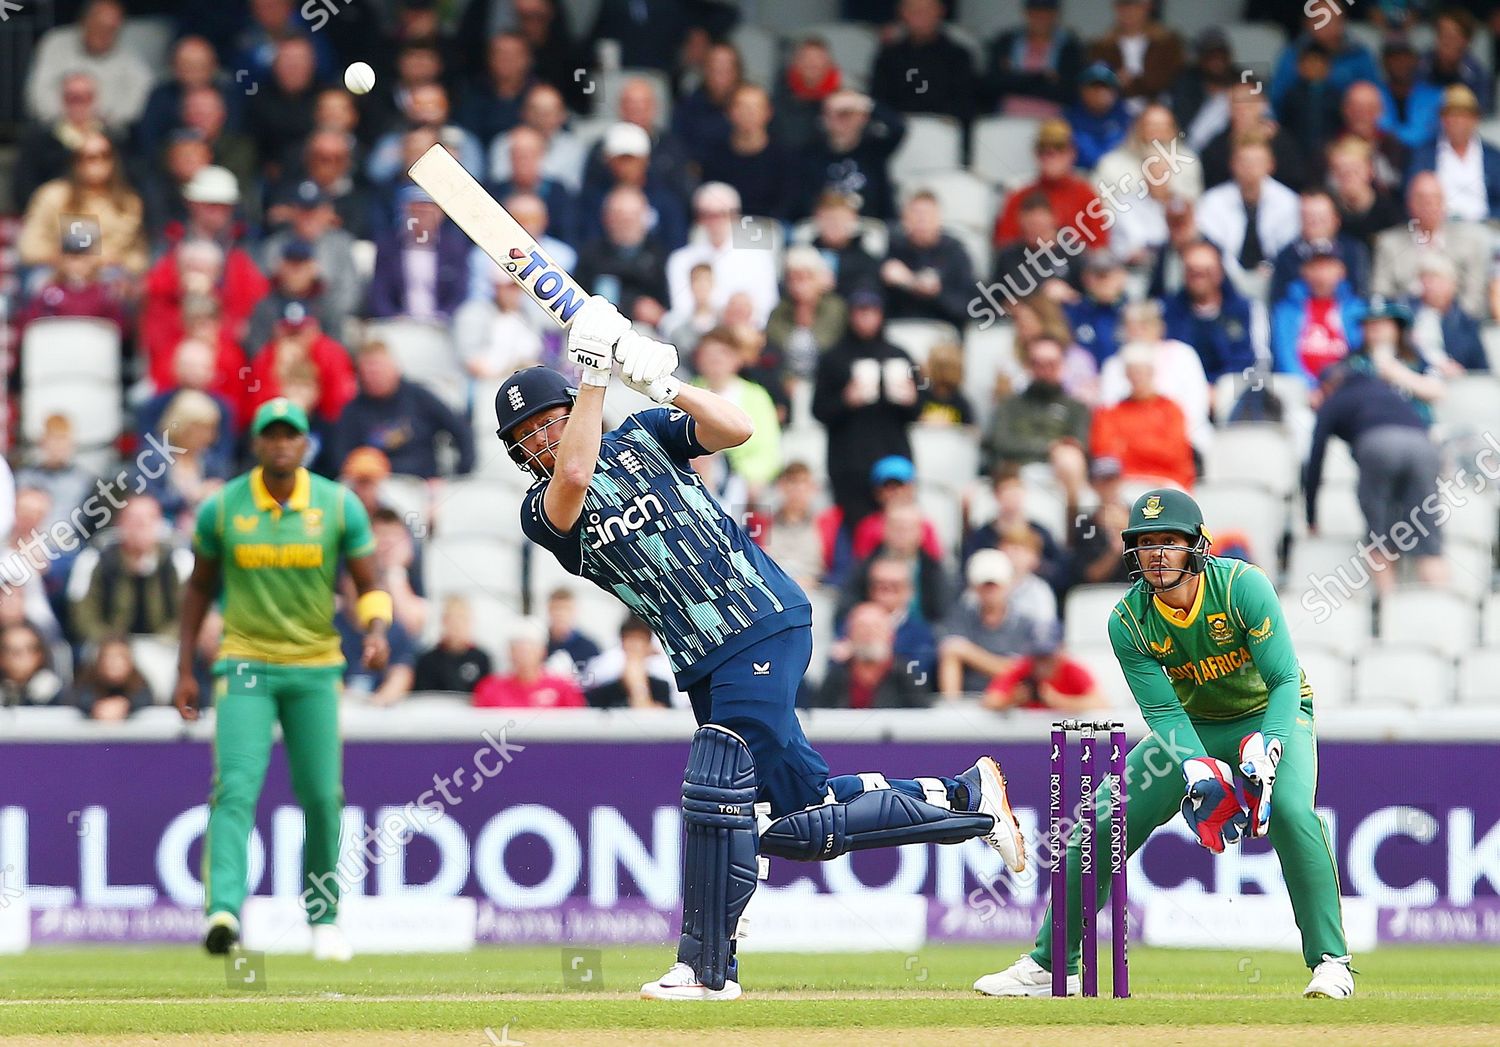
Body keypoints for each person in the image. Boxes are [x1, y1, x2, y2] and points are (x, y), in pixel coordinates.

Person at [494, 296, 1026, 1001]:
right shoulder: (541, 512)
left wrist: (658, 382)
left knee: (717, 781)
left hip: (759, 617)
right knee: (804, 816)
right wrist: (594, 374)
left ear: (567, 410)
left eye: (546, 421)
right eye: (525, 435)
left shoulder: (647, 431)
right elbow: (573, 479)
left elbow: (737, 426)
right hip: (701, 656)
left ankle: (708, 966)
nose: (540, 439)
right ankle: (971, 799)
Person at [974, 488, 1355, 1000]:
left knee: (1289, 811)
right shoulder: (1128, 620)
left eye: (1169, 541)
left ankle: (1332, 963)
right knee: (1099, 822)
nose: (1156, 553)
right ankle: (1051, 965)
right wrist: (1197, 766)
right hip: (1191, 727)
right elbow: (1162, 710)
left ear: (1197, 545)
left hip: (1270, 715)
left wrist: (1271, 745)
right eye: (1146, 542)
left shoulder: (1244, 587)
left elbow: (1285, 680)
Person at [173, 398, 392, 963]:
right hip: (244, 662)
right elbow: (198, 589)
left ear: (304, 444)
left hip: (316, 665)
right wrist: (183, 670)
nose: (280, 444)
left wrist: (375, 628)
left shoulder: (337, 505)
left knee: (323, 797)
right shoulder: (222, 508)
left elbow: (369, 581)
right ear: (257, 444)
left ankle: (324, 917)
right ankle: (223, 910)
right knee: (235, 789)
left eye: (290, 435)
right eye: (270, 435)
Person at [1305, 362, 1448, 594]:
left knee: (1379, 537)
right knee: (1428, 540)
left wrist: (1311, 516)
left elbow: (1315, 457)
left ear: (1327, 386)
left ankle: (1387, 613)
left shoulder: (1334, 399)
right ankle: (1442, 611)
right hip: (1424, 447)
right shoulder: (1386, 391)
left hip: (1377, 446)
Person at [811, 290, 921, 531]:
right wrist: (846, 400)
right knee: (856, 531)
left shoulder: (899, 355)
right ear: (851, 315)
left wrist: (912, 399)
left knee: (897, 527)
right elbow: (818, 411)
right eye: (860, 312)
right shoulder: (833, 358)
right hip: (849, 463)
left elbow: (916, 411)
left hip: (893, 457)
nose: (866, 318)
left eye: (872, 312)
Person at [328, 341, 476, 480]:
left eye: (378, 369)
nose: (373, 377)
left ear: (395, 368)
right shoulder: (352, 410)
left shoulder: (419, 398)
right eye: (367, 371)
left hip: (419, 483)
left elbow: (460, 428)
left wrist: (459, 474)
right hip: (373, 484)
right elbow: (340, 457)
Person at [18, 130, 148, 280]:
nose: (98, 162)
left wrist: (102, 261)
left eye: (105, 155)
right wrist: (61, 260)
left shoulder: (129, 203)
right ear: (76, 162)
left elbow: (138, 255)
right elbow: (29, 246)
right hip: (55, 271)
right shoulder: (51, 196)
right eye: (89, 157)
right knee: (38, 281)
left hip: (108, 274)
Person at [1371, 172, 1491, 319]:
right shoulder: (1389, 243)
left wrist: (1450, 306)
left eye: (1435, 198)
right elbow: (1380, 295)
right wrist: (1416, 299)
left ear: (1444, 203)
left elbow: (1475, 297)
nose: (1428, 204)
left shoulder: (1469, 242)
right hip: (1407, 327)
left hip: (1457, 327)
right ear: (1409, 203)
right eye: (1421, 198)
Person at [25, 0, 152, 131]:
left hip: (109, 130)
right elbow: (37, 96)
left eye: (111, 29)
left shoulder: (131, 56)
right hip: (56, 128)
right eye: (99, 26)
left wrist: (99, 121)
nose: (104, 34)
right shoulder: (55, 43)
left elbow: (140, 101)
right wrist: (70, 121)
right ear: (83, 22)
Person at [1091, 343, 1196, 491]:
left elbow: (1174, 454)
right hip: (1125, 482)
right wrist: (1150, 445)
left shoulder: (1171, 410)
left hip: (1166, 481)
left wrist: (1127, 444)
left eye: (1141, 372)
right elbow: (1104, 453)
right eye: (1132, 372)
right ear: (1126, 375)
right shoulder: (1110, 413)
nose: (1137, 377)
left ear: (1152, 372)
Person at [994, 119, 1108, 251]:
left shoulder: (1087, 196)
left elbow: (1099, 249)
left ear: (1072, 153)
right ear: (1035, 154)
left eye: (1059, 148)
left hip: (1075, 269)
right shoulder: (1018, 196)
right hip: (1028, 268)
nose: (1051, 155)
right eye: (1043, 150)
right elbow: (1005, 248)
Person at [982, 335, 1091, 474]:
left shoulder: (1077, 408)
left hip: (1058, 475)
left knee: (1070, 458)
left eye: (1051, 364)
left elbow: (1079, 445)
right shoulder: (1009, 405)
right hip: (1014, 475)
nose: (1045, 370)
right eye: (1038, 363)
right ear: (1028, 366)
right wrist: (1049, 447)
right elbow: (1000, 442)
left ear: (1062, 365)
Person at [936, 549, 1035, 699]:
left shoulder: (1026, 624)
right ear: (974, 587)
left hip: (1010, 703)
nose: (990, 591)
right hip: (969, 701)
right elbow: (950, 651)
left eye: (995, 585)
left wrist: (968, 652)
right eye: (985, 586)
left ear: (1009, 584)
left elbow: (1028, 672)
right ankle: (952, 709)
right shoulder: (960, 617)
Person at [880, 191, 976, 327]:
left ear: (938, 218)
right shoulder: (894, 249)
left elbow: (969, 307)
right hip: (900, 327)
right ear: (904, 219)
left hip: (944, 330)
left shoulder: (955, 252)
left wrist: (937, 293)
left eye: (927, 215)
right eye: (916, 214)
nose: (921, 220)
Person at [871, 0, 977, 124]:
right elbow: (879, 100)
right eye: (914, 10)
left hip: (946, 130)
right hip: (898, 130)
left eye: (927, 9)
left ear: (940, 11)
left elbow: (965, 101)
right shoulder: (887, 57)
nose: (921, 15)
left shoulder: (959, 56)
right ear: (902, 13)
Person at [1407, 84, 1500, 223]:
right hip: (1440, 229)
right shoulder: (1423, 154)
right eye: (1452, 115)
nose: (1458, 121)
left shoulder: (1493, 156)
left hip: (1486, 228)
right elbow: (1412, 196)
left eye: (1464, 115)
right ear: (1442, 119)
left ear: (1475, 119)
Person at [811, 602, 928, 709]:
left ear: (891, 636)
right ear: (849, 635)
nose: (868, 634)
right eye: (861, 628)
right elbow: (822, 713)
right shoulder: (837, 675)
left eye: (876, 627)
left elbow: (920, 717)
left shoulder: (907, 674)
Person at [986, 0, 1084, 116]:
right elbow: (991, 84)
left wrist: (1015, 79)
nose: (1040, 17)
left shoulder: (1070, 46)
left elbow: (1069, 92)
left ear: (1056, 14)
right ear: (1026, 13)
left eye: (1046, 12)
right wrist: (1042, 78)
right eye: (1035, 12)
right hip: (1007, 117)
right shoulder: (1005, 42)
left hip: (1054, 122)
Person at [982, 623, 1104, 711]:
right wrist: (1012, 700)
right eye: (1037, 656)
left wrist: (1059, 701)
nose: (1041, 663)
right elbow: (990, 700)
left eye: (1047, 656)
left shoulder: (1072, 670)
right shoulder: (1022, 668)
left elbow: (1101, 703)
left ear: (1060, 650)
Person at [474, 618, 584, 708]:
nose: (524, 654)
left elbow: (578, 727)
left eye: (530, 647)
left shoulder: (564, 689)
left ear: (542, 651)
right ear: (509, 652)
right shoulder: (489, 689)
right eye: (518, 648)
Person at [582, 615, 679, 709]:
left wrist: (638, 687)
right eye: (629, 639)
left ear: (648, 645)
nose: (634, 646)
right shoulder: (605, 687)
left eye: (639, 640)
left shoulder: (661, 686)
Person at [413, 595, 491, 694]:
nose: (457, 625)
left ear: (470, 622)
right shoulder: (427, 660)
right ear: (443, 622)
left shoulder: (481, 659)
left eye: (462, 619)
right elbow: (423, 696)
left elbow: (487, 695)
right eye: (452, 620)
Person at [1065, 63, 1130, 170]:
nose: (1099, 92)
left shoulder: (1129, 120)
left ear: (1115, 91)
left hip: (1118, 179)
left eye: (1105, 87)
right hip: (1079, 176)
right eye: (1093, 86)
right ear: (1082, 90)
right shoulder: (1066, 120)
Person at [71, 636, 154, 720]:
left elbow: (146, 701)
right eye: (108, 657)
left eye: (119, 657)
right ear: (99, 660)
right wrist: (96, 708)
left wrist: (125, 706)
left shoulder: (139, 681)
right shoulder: (87, 678)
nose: (113, 663)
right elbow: (76, 699)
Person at [0, 622, 67, 709]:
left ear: (40, 655)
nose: (22, 656)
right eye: (14, 651)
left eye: (29, 649)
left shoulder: (57, 694)